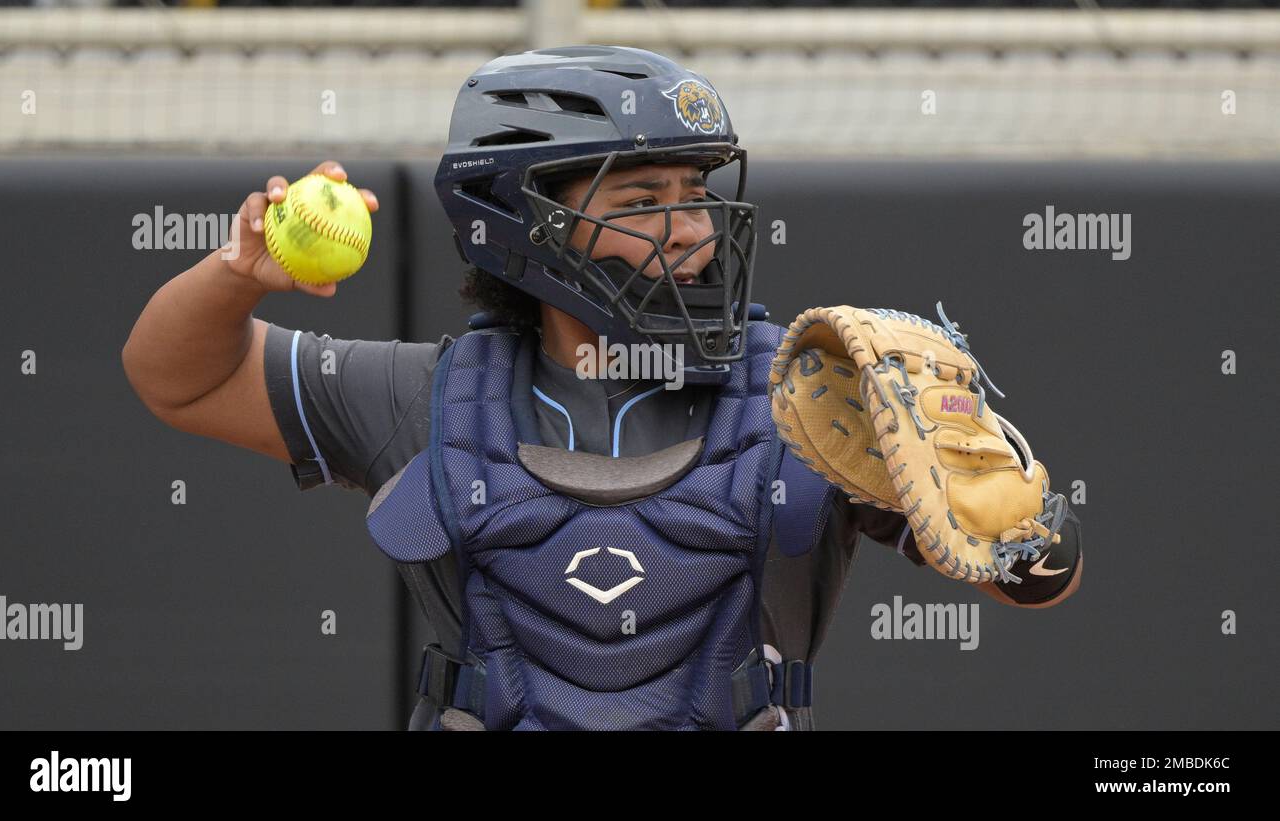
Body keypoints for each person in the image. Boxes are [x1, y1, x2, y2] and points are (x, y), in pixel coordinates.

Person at [122, 45, 1082, 731]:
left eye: (696, 194)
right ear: (522, 224)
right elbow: (178, 379)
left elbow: (1040, 585)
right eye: (640, 201)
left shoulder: (810, 393)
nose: (690, 229)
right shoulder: (431, 396)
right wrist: (238, 273)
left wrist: (1015, 518)